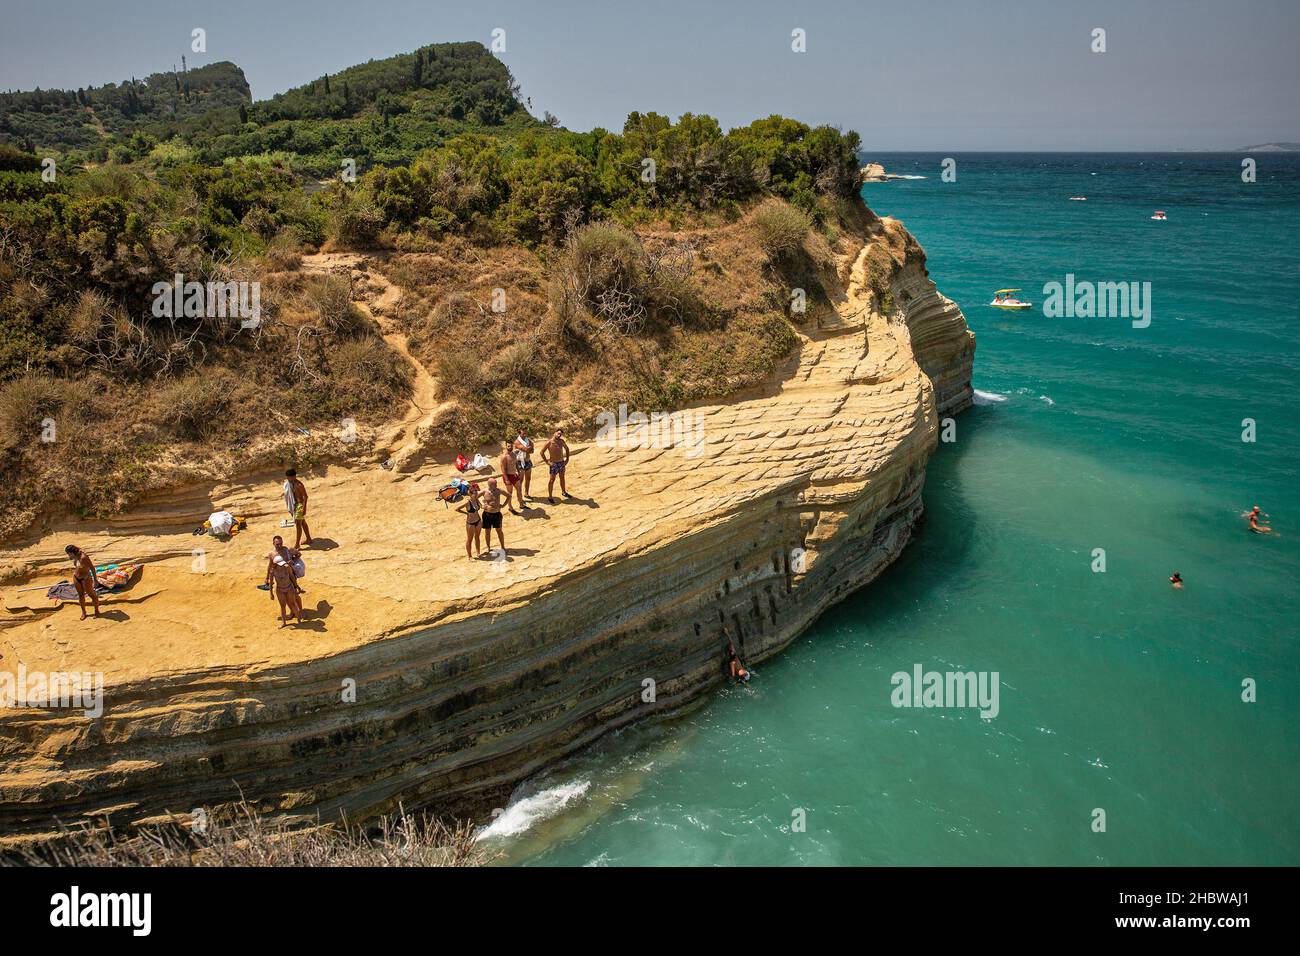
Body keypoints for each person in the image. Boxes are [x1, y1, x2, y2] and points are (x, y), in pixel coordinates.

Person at [266, 546, 301, 627]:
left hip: (289, 588)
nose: (282, 565)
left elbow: (292, 577)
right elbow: (271, 583)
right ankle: (284, 623)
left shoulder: (287, 567)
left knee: (292, 604)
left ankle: (299, 619)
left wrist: (296, 586)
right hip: (280, 590)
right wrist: (271, 593)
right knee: (283, 606)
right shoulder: (272, 572)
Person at [64, 544, 101, 620]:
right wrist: (72, 558)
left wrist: (95, 580)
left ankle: (96, 611)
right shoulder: (75, 556)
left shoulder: (84, 557)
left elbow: (92, 568)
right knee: (80, 595)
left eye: (69, 553)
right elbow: (74, 561)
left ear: (72, 552)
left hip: (85, 578)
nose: (68, 555)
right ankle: (84, 612)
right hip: (76, 577)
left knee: (91, 594)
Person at [541, 429, 572, 505]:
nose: (559, 435)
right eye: (558, 433)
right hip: (553, 464)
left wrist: (567, 459)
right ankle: (550, 496)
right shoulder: (549, 442)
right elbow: (542, 452)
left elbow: (567, 449)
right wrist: (547, 462)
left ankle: (564, 492)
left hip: (561, 463)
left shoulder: (561, 441)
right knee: (552, 480)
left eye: (560, 434)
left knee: (562, 477)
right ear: (554, 433)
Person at [285, 468, 313, 549]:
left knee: (298, 525)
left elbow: (305, 497)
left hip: (300, 506)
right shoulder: (291, 484)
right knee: (303, 522)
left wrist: (304, 509)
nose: (288, 479)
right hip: (296, 506)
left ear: (293, 476)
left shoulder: (299, 485)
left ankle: (297, 544)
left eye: (288, 478)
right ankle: (309, 539)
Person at [455, 483, 484, 559]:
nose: (477, 493)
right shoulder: (467, 502)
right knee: (469, 539)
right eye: (475, 492)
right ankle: (470, 556)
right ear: (471, 494)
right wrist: (466, 513)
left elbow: (482, 506)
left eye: (476, 492)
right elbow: (457, 509)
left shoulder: (477, 500)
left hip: (478, 521)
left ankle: (478, 553)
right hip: (470, 523)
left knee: (477, 537)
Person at [482, 477, 507, 555]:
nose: (496, 485)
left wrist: (503, 505)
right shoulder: (484, 491)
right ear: (490, 484)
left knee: (499, 531)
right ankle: (488, 547)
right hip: (487, 514)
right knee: (487, 532)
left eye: (496, 483)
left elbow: (509, 496)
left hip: (496, 514)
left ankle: (503, 547)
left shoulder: (498, 490)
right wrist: (482, 505)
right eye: (494, 484)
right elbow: (474, 497)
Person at [499, 442, 524, 514]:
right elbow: (503, 468)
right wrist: (506, 479)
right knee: (509, 493)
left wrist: (518, 472)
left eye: (511, 446)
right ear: (506, 446)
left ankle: (521, 504)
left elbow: (516, 463)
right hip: (508, 476)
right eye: (508, 446)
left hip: (514, 475)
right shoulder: (504, 456)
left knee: (519, 490)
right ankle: (510, 507)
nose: (510, 447)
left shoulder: (514, 454)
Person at [513, 428, 535, 500]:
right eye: (523, 433)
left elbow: (532, 451)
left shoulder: (527, 440)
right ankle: (520, 496)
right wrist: (529, 448)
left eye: (525, 433)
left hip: (527, 461)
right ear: (519, 434)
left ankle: (526, 493)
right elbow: (526, 449)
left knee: (528, 478)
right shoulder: (517, 442)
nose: (525, 435)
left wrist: (529, 448)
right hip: (520, 462)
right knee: (520, 481)